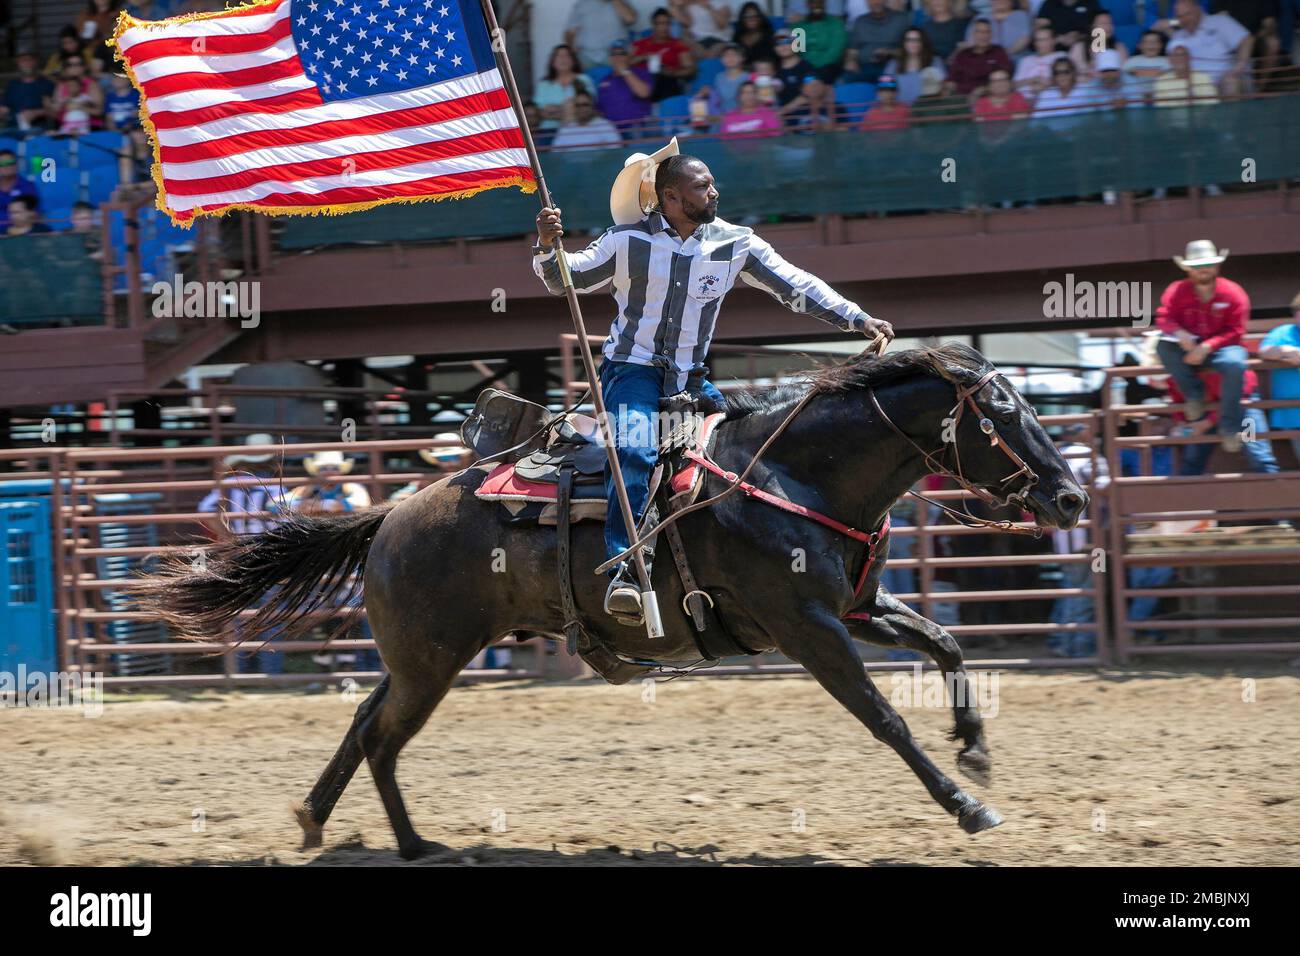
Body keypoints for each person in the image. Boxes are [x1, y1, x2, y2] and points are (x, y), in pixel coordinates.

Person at [532, 140, 893, 619]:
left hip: (692, 381)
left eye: (711, 183)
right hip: (632, 375)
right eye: (703, 186)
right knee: (634, 451)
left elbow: (795, 284)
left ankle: (746, 570)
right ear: (672, 198)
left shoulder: (735, 242)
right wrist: (547, 246)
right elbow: (566, 280)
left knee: (748, 457)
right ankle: (625, 569)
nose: (714, 191)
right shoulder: (626, 242)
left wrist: (856, 319)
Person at [198, 434, 290, 675]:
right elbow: (287, 519)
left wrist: (228, 536)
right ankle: (270, 672)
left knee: (239, 613)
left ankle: (240, 671)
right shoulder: (275, 486)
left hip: (239, 552)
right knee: (270, 615)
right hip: (270, 554)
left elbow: (205, 510)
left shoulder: (230, 486)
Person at [1155, 240, 1249, 452]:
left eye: (1207, 264)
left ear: (1217, 266)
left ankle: (1229, 427)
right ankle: (1194, 395)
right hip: (1189, 346)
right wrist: (1179, 334)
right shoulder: (1176, 290)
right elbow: (1163, 317)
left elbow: (1236, 331)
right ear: (1188, 268)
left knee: (1235, 363)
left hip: (1223, 348)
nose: (1202, 269)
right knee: (1163, 347)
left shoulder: (1234, 293)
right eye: (1197, 265)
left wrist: (1206, 347)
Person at [1047, 424, 1107, 658]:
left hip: (1065, 541)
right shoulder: (1092, 457)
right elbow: (1106, 488)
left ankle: (1061, 640)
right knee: (1088, 591)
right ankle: (1081, 645)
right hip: (1093, 542)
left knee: (1071, 590)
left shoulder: (1054, 458)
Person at [1155, 0, 1252, 92]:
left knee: (1231, 82)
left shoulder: (1220, 22)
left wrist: (1239, 67)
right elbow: (1169, 64)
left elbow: (1246, 40)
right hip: (1192, 85)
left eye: (1188, 14)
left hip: (1221, 82)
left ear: (1198, 10)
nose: (1185, 19)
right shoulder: (1178, 35)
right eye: (1180, 16)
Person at [1258, 294, 1300, 464]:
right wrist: (1284, 350)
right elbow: (1264, 352)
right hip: (1293, 415)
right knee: (1249, 437)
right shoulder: (1283, 332)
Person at [632, 6, 697, 101]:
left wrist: (674, 73)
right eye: (660, 23)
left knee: (665, 79)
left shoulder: (677, 44)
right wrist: (644, 57)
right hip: (642, 80)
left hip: (667, 79)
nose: (664, 27)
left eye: (667, 23)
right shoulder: (641, 43)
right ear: (653, 25)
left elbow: (691, 68)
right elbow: (626, 63)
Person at [595, 42, 654, 139]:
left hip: (636, 128)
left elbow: (643, 93)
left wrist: (625, 71)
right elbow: (600, 109)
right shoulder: (604, 80)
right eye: (614, 54)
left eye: (621, 54)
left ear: (628, 57)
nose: (617, 57)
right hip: (612, 131)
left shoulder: (641, 73)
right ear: (610, 59)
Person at [845, 0, 911, 83]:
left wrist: (889, 53)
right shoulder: (860, 21)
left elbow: (910, 50)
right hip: (863, 67)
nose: (876, 3)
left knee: (886, 83)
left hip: (891, 67)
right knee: (846, 81)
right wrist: (851, 61)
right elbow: (852, 51)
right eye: (871, 1)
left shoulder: (900, 19)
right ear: (866, 3)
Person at [534, 45, 595, 132]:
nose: (563, 59)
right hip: (549, 131)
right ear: (553, 61)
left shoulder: (584, 79)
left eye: (567, 55)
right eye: (559, 56)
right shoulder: (543, 84)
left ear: (573, 60)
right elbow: (539, 112)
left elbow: (589, 106)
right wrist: (568, 110)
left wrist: (554, 110)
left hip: (578, 130)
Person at [564, 0, 638, 70]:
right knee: (570, 71)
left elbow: (630, 19)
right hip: (587, 53)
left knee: (623, 74)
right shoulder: (582, 4)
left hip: (615, 52)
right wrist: (571, 49)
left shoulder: (622, 2)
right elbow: (570, 32)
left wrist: (615, 1)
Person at [949, 18, 1013, 95]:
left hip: (991, 96)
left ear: (991, 34)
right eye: (979, 32)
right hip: (964, 97)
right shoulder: (962, 55)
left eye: (986, 32)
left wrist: (983, 90)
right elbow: (951, 80)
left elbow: (1005, 78)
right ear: (974, 34)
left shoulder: (999, 52)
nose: (983, 36)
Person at [883, 28, 947, 103]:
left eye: (917, 40)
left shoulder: (935, 61)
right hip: (900, 110)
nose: (913, 43)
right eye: (909, 40)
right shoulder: (893, 64)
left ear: (923, 43)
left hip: (927, 109)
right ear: (903, 43)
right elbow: (884, 92)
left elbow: (944, 89)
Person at [794, 0, 849, 83]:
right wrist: (807, 67)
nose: (817, 5)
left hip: (829, 67)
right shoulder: (799, 26)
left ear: (825, 3)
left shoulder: (836, 24)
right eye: (813, 2)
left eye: (820, 2)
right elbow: (798, 51)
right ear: (807, 4)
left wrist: (814, 69)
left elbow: (835, 52)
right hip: (805, 68)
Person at [1, 51, 55, 133]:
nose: (27, 63)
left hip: (38, 128)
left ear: (36, 62)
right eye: (23, 60)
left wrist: (36, 113)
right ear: (18, 63)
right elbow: (4, 109)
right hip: (13, 129)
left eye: (30, 60)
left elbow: (56, 112)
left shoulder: (47, 84)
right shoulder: (12, 85)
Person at [551, 90, 623, 149]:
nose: (581, 108)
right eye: (577, 105)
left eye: (585, 105)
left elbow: (615, 151)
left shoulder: (606, 126)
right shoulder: (566, 129)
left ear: (593, 106)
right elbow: (556, 154)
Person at [966, 0, 1031, 60]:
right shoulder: (980, 17)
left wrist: (1003, 55)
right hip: (983, 59)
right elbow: (971, 41)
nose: (1000, 1)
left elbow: (1025, 38)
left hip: (1015, 58)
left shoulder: (1021, 16)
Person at [1014, 25, 1067, 96]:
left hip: (1051, 98)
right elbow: (1014, 85)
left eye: (1044, 40)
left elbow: (1067, 79)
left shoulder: (1061, 56)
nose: (1039, 43)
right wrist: (1033, 80)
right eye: (1037, 40)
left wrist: (1045, 83)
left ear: (1053, 41)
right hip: (1023, 101)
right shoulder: (1025, 60)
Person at [1035, 0, 1103, 52]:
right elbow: (1040, 28)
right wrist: (1058, 39)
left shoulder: (1090, 2)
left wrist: (1079, 37)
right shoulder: (1050, 3)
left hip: (1086, 48)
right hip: (1055, 51)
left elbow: (1101, 26)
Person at [1123, 30, 1171, 102]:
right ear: (1139, 45)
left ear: (1161, 45)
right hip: (1137, 99)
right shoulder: (1131, 62)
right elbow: (1124, 79)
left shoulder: (1167, 61)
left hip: (1161, 98)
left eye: (1155, 42)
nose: (1151, 44)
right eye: (1146, 42)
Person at [701, 43, 749, 115]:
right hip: (723, 116)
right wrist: (709, 92)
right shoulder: (719, 77)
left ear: (742, 58)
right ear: (721, 59)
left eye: (734, 55)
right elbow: (717, 99)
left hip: (743, 115)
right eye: (726, 55)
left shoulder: (748, 77)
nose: (730, 58)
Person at [0, 150, 39, 233]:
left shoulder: (28, 186)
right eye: (1, 164)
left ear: (16, 165)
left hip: (22, 232)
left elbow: (34, 214)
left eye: (10, 162)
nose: (6, 166)